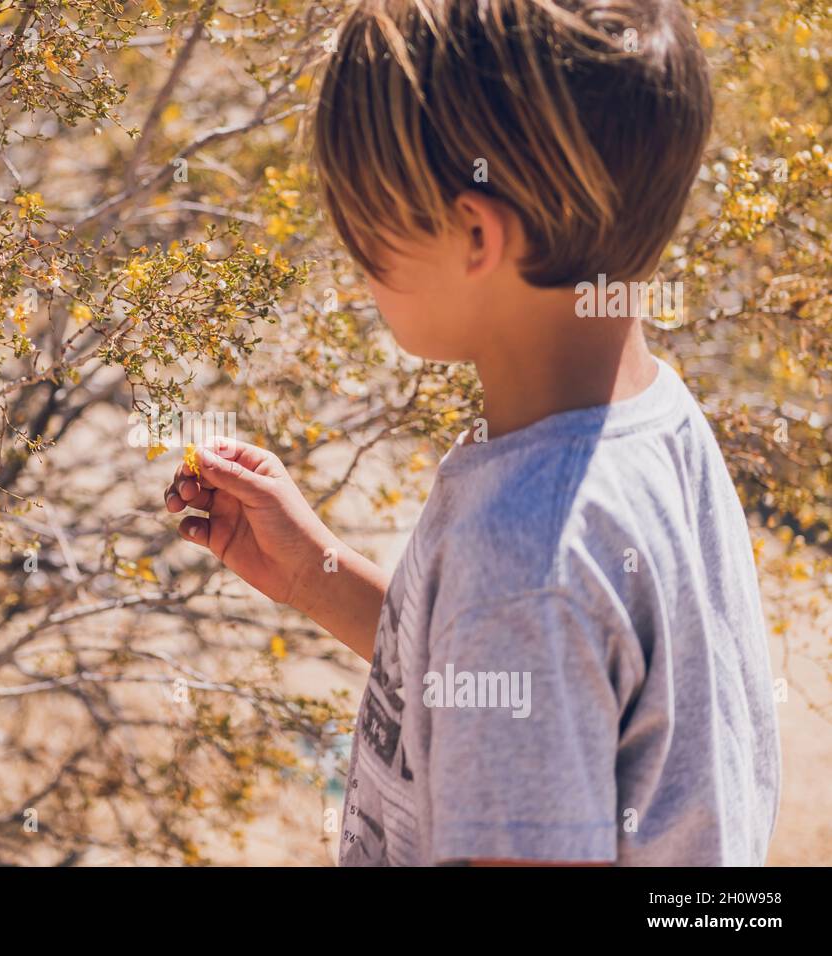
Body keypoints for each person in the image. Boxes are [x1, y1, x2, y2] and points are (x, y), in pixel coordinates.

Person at [163, 0, 779, 865]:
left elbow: (524, 629)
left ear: (476, 233)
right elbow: (507, 685)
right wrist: (317, 573)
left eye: (360, 220)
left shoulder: (525, 555)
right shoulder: (653, 423)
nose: (351, 252)